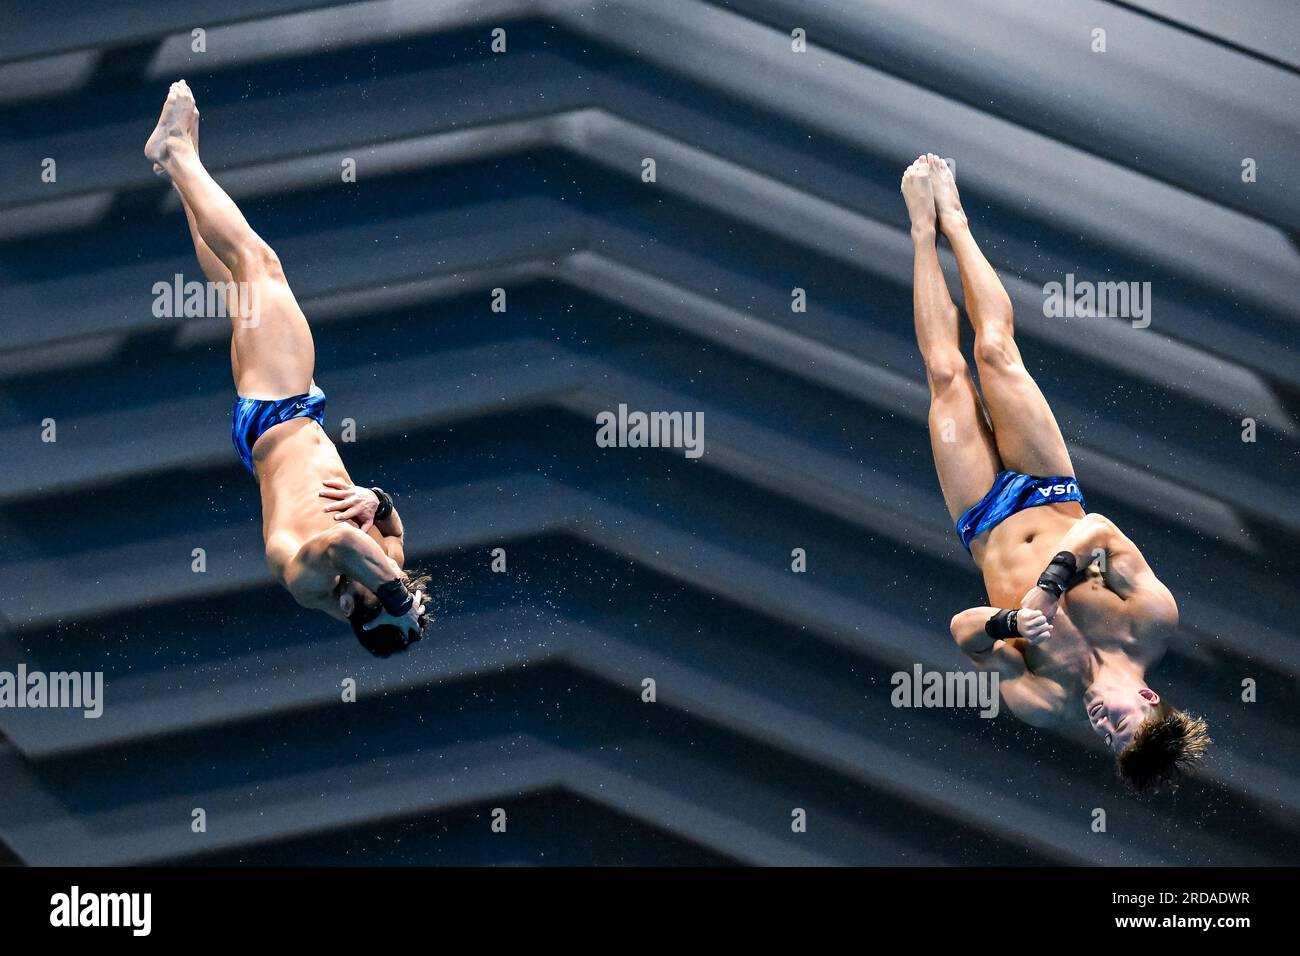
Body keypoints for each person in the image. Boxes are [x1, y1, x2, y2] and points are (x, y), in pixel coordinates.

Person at [900, 154, 1208, 792]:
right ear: (1147, 698)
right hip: (1047, 487)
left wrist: (1011, 623)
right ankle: (955, 219)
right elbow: (1099, 530)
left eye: (1108, 740)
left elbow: (963, 634)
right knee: (994, 350)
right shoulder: (1152, 619)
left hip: (982, 519)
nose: (1103, 726)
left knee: (946, 374)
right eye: (1121, 725)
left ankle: (922, 231)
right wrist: (1048, 587)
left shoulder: (1045, 702)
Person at [145, 81, 428, 656]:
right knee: (236, 281)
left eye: (384, 596)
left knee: (259, 264)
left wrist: (398, 598)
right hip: (282, 420)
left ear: (354, 610)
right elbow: (391, 531)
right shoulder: (384, 568)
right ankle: (184, 165)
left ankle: (172, 151)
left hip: (279, 411)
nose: (394, 581)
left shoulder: (310, 581)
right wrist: (379, 500)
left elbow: (346, 543)